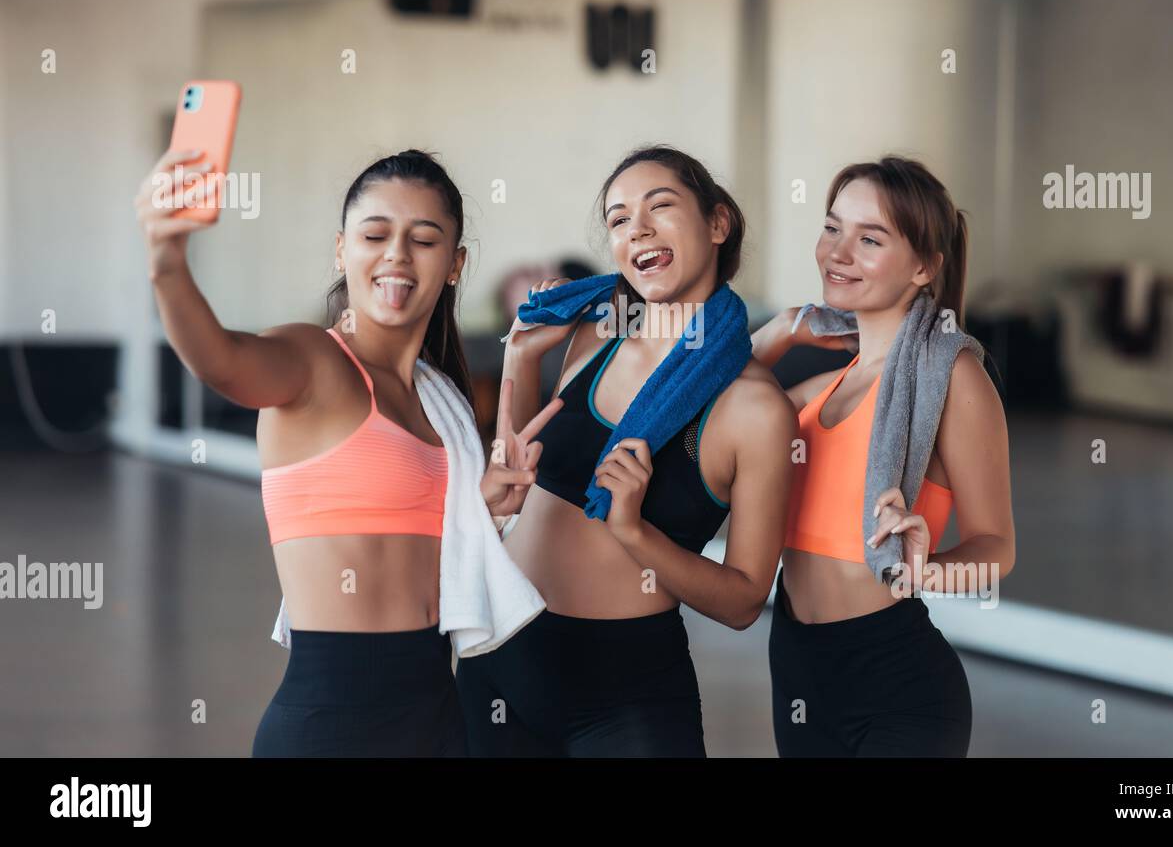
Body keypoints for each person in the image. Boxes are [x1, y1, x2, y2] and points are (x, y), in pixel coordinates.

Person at [134, 147, 555, 756]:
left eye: (425, 239)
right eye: (375, 234)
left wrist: (481, 507)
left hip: (438, 720)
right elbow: (220, 360)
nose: (397, 255)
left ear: (456, 263)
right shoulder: (314, 364)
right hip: (328, 730)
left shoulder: (442, 402)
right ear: (341, 249)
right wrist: (166, 261)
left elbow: (444, 550)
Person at [454, 145, 797, 756]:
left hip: (624, 696)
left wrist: (635, 532)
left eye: (660, 207)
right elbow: (515, 476)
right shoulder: (593, 335)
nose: (636, 227)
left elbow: (745, 600)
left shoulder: (756, 410)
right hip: (502, 661)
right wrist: (521, 356)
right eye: (617, 219)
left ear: (718, 223)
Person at [750, 156, 1016, 757]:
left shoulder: (953, 376)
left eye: (870, 238)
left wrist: (926, 570)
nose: (838, 253)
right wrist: (777, 333)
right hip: (797, 669)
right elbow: (697, 415)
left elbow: (996, 550)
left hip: (899, 685)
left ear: (925, 267)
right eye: (832, 227)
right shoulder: (812, 394)